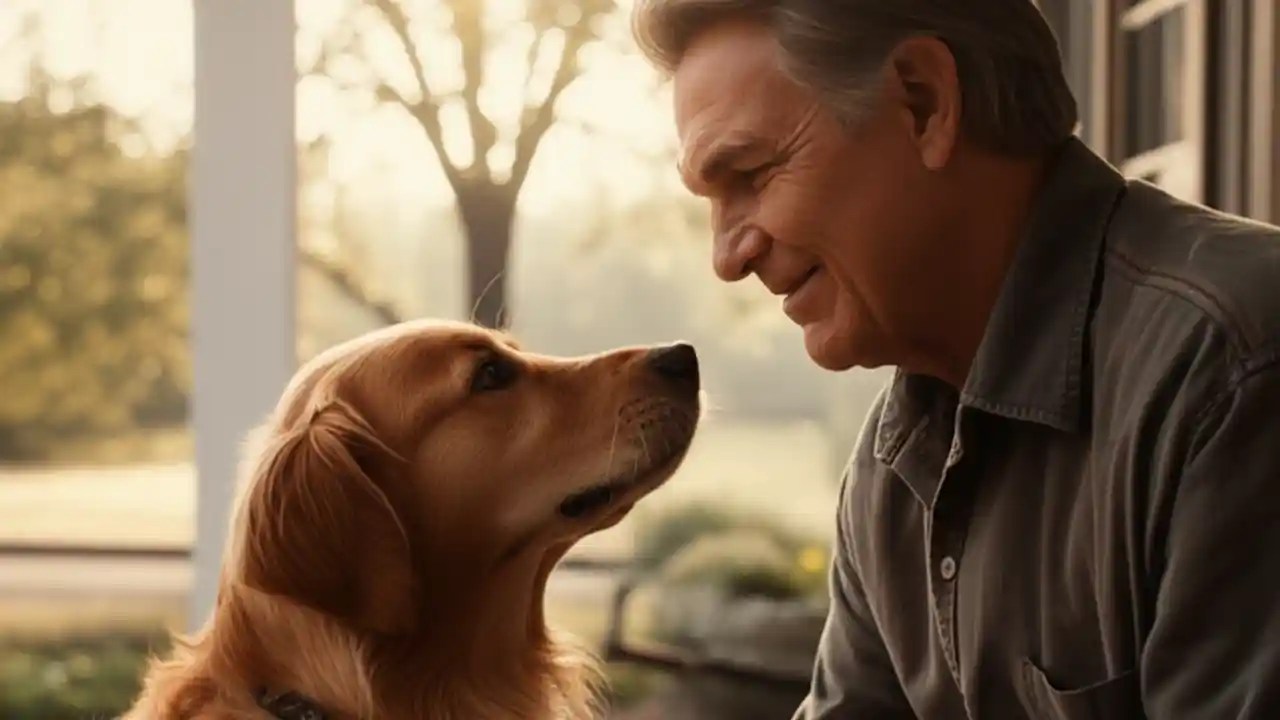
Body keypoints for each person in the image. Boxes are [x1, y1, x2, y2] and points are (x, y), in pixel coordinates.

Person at [630, 1, 1280, 718]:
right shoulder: (891, 471)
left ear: (923, 101)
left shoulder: (1234, 366)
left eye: (751, 173)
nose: (727, 257)